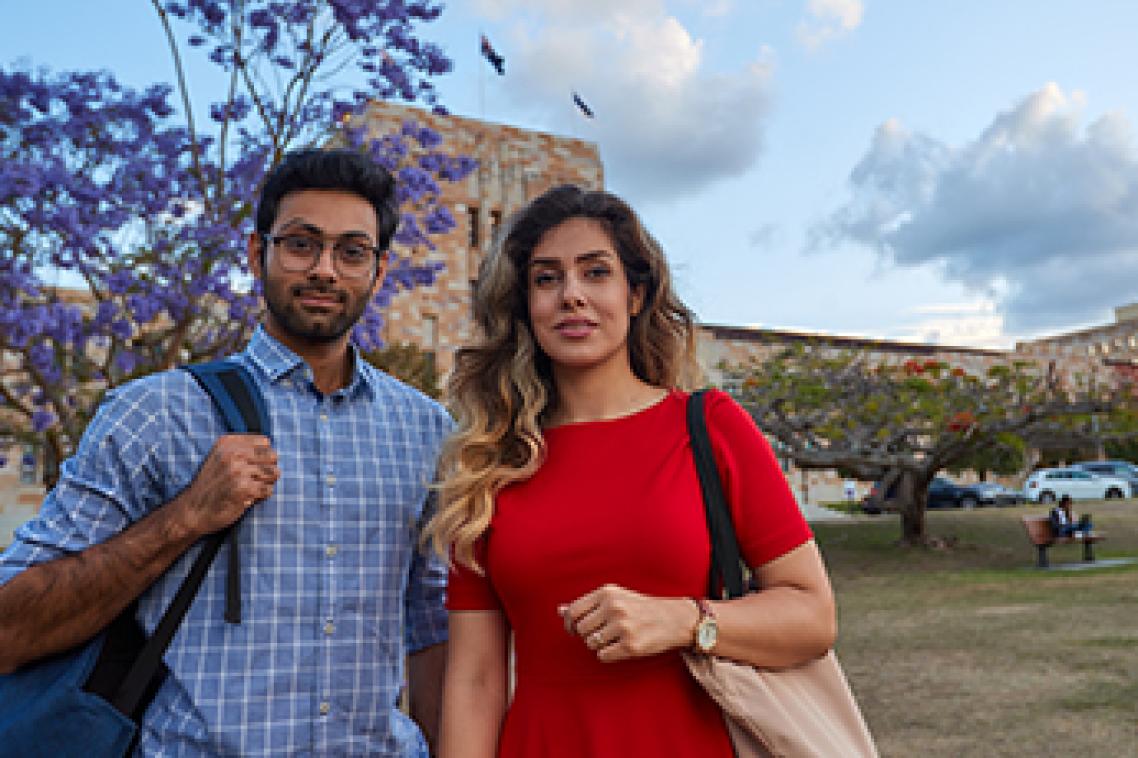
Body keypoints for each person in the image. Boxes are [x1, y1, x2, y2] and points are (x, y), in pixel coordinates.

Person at [0, 149, 451, 756]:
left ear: (379, 269)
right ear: (254, 252)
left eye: (351, 252)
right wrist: (185, 517)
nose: (324, 269)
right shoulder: (154, 414)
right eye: (300, 244)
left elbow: (433, 634)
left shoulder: (427, 431)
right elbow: (11, 628)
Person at [426, 185, 837, 757]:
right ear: (524, 305)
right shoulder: (486, 463)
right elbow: (474, 681)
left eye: (596, 273)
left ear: (636, 294)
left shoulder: (710, 427)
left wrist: (687, 621)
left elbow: (813, 616)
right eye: (546, 279)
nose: (571, 295)